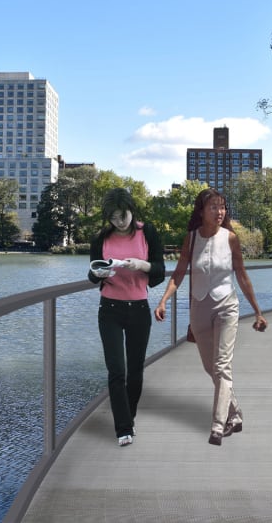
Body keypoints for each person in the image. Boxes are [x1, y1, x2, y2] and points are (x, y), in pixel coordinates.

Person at [153, 188, 268, 447]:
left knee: (222, 366)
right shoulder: (191, 239)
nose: (220, 212)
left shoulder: (231, 238)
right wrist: (163, 301)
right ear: (202, 211)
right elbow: (178, 274)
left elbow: (242, 276)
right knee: (210, 367)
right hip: (199, 309)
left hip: (227, 306)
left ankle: (218, 425)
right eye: (214, 207)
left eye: (223, 207)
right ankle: (235, 414)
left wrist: (258, 311)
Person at [88, 188, 166, 447]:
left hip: (139, 309)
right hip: (109, 309)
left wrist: (140, 265)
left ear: (132, 210)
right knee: (116, 370)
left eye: (122, 216)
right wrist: (99, 274)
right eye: (113, 218)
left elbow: (160, 269)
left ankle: (128, 417)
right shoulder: (101, 237)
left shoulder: (147, 232)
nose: (119, 222)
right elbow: (92, 273)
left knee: (135, 371)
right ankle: (122, 429)